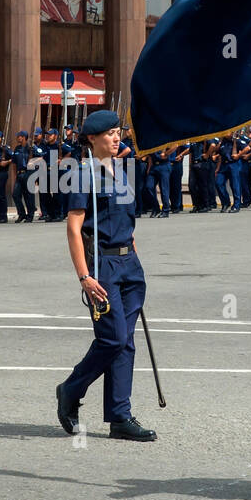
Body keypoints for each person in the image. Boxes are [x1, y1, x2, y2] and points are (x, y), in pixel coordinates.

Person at [55, 109, 157, 442]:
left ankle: (119, 416)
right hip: (102, 268)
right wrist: (84, 276)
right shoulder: (83, 174)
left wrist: (136, 261)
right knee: (112, 338)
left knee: (125, 344)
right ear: (93, 139)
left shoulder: (124, 171)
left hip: (129, 266)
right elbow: (73, 228)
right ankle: (70, 390)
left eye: (119, 132)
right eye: (111, 133)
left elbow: (127, 223)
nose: (117, 138)